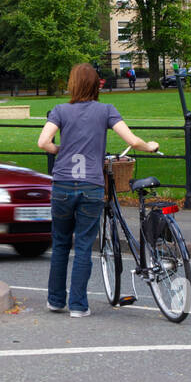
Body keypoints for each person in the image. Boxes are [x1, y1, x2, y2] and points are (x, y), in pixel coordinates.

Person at [37, 63, 158, 317]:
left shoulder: (60, 110)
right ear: (96, 85)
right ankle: (78, 305)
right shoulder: (106, 110)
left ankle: (56, 300)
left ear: (72, 84)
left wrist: (61, 150)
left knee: (60, 243)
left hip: (63, 184)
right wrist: (150, 146)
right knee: (83, 245)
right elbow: (132, 140)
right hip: (91, 185)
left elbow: (43, 142)